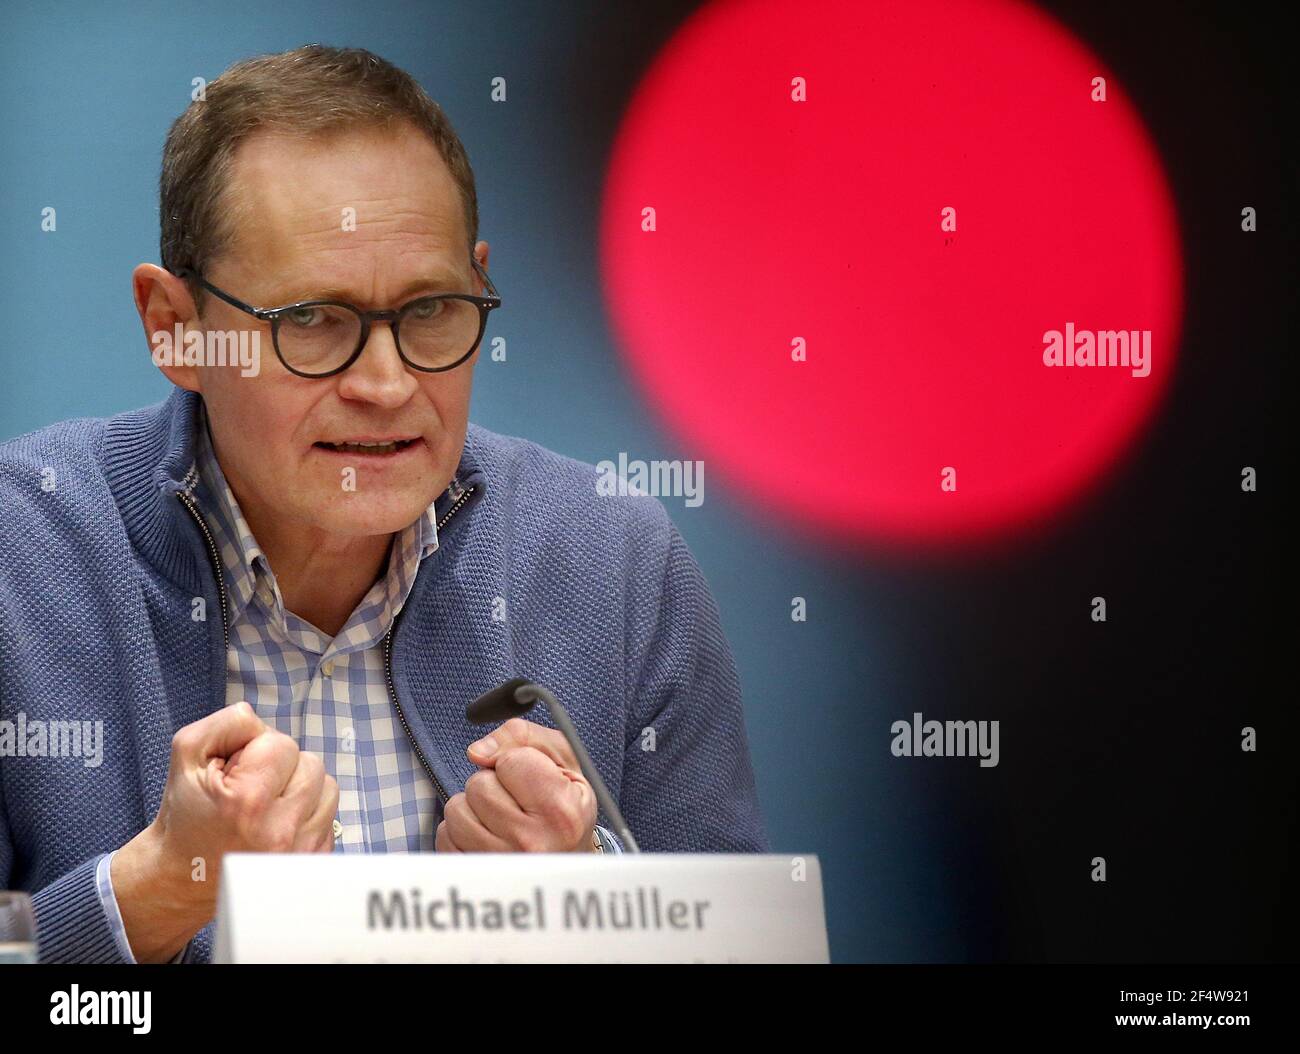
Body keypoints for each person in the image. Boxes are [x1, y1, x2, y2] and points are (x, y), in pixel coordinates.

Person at [0, 45, 766, 964]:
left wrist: (594, 912)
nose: (388, 382)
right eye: (312, 322)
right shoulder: (22, 556)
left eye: (431, 309)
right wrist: (152, 892)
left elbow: (747, 950)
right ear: (175, 328)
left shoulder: (614, 557)